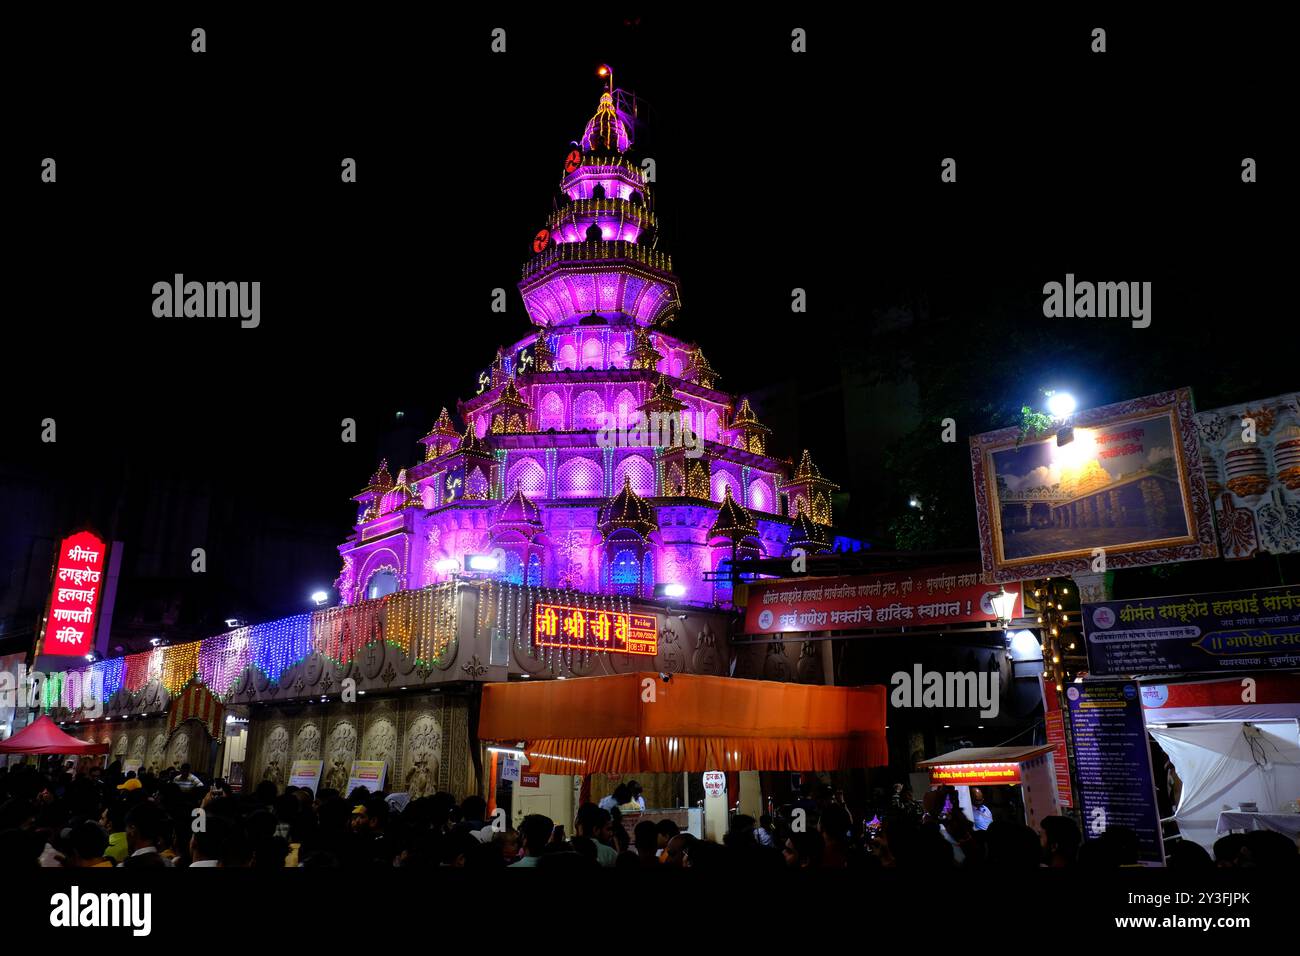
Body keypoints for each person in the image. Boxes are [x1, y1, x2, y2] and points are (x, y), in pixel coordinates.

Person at [122, 802, 167, 867]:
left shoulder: (124, 865)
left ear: (132, 829)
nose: (125, 832)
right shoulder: (169, 863)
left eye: (126, 828)